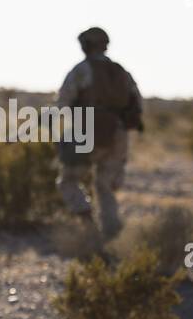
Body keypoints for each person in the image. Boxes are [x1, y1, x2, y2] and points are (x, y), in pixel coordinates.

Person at [56, 26, 143, 240]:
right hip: (118, 133)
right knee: (105, 186)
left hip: (88, 130)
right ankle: (113, 235)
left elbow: (63, 102)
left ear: (86, 45)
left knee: (68, 180)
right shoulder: (121, 71)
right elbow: (137, 103)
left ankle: (86, 219)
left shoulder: (82, 70)